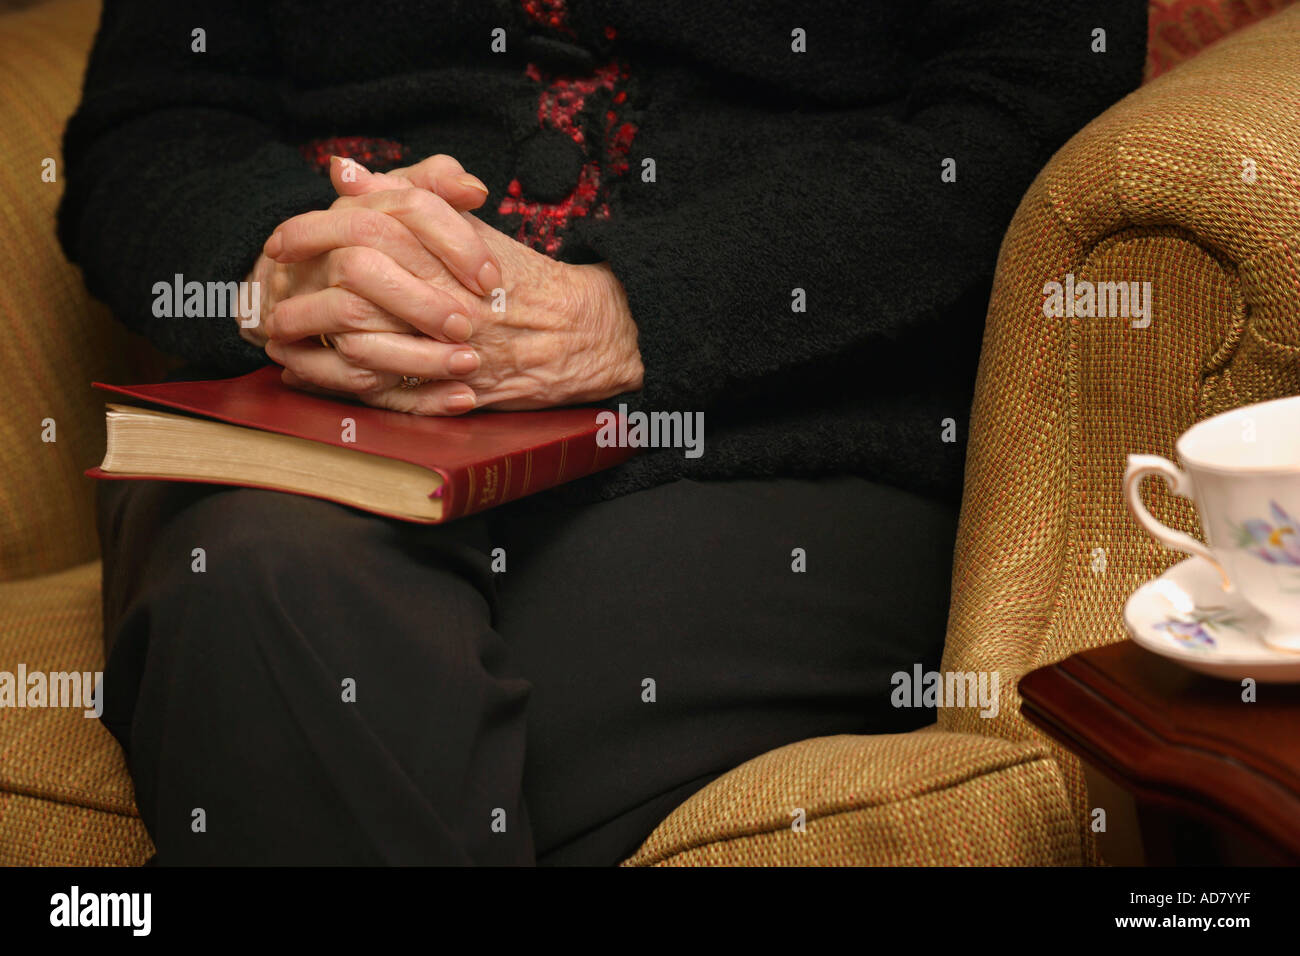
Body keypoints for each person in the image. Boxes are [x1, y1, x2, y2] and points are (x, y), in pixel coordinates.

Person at [58, 0, 1146, 864]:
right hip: (314, 418)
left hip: (774, 431)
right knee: (256, 587)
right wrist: (287, 267)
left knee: (328, 722)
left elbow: (1028, 100)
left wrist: (640, 311)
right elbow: (151, 122)